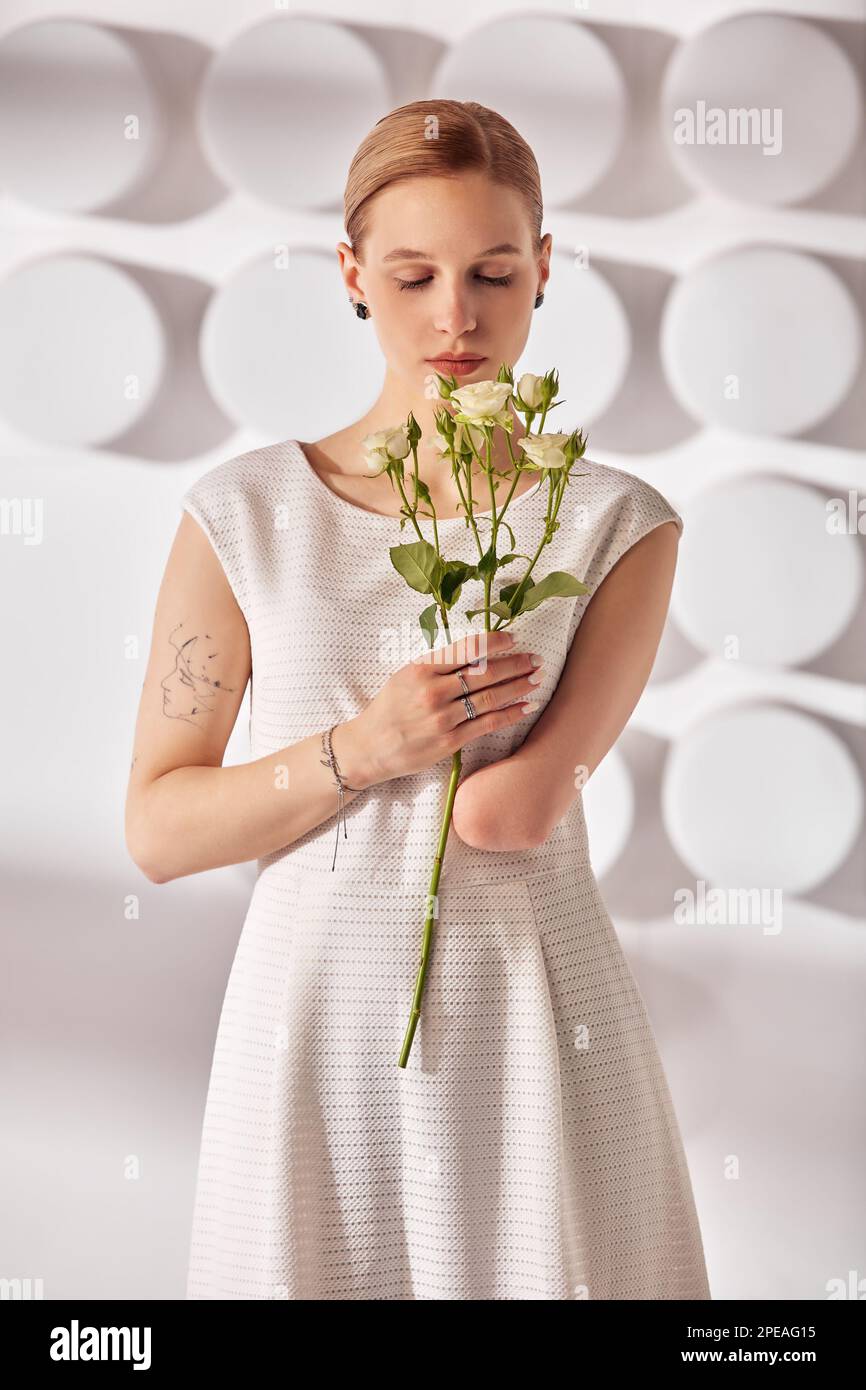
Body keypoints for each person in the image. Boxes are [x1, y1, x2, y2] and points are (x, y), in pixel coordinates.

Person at [125, 98, 711, 1300]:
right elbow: (159, 828)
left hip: (533, 1023)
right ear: (351, 275)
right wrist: (364, 744)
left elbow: (506, 819)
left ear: (543, 269)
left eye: (495, 272)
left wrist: (493, 740)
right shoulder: (243, 511)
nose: (457, 317)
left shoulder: (610, 523)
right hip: (310, 1033)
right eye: (412, 277)